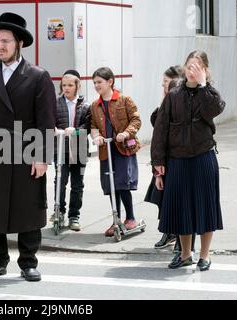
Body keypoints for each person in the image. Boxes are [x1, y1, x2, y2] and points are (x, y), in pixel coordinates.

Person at [0, 12, 56, 282]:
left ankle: (28, 262)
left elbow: (46, 121)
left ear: (19, 43)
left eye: (6, 41)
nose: (0, 46)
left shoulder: (38, 76)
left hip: (26, 151)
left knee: (28, 207)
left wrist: (42, 157)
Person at [151, 50, 225, 271]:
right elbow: (161, 129)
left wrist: (203, 86)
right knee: (181, 208)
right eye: (190, 65)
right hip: (178, 160)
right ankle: (185, 254)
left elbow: (214, 110)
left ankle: (204, 255)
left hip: (203, 157)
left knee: (205, 206)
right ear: (184, 68)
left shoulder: (210, 93)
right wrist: (158, 165)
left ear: (205, 70)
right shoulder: (174, 95)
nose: (192, 70)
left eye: (198, 66)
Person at [90, 67, 142, 237]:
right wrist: (96, 136)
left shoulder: (124, 99)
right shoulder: (95, 105)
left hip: (123, 148)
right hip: (106, 150)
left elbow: (136, 119)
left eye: (100, 82)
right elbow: (93, 126)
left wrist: (126, 133)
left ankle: (131, 218)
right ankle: (116, 219)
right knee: (111, 186)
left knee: (122, 182)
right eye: (95, 83)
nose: (97, 85)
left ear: (110, 81)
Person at [145, 66, 183, 249]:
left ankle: (177, 234)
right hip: (162, 160)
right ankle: (168, 231)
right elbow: (156, 125)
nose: (163, 87)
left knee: (175, 200)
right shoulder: (166, 102)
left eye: (166, 83)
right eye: (163, 84)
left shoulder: (181, 102)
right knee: (161, 197)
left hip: (176, 159)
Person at [51, 69, 91, 231]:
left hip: (79, 150)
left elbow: (88, 125)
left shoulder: (86, 106)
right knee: (60, 181)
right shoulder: (55, 103)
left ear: (77, 86)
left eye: (70, 85)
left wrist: (74, 131)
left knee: (77, 184)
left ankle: (74, 215)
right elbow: (49, 120)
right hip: (60, 149)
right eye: (64, 85)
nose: (66, 88)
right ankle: (59, 211)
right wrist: (55, 129)